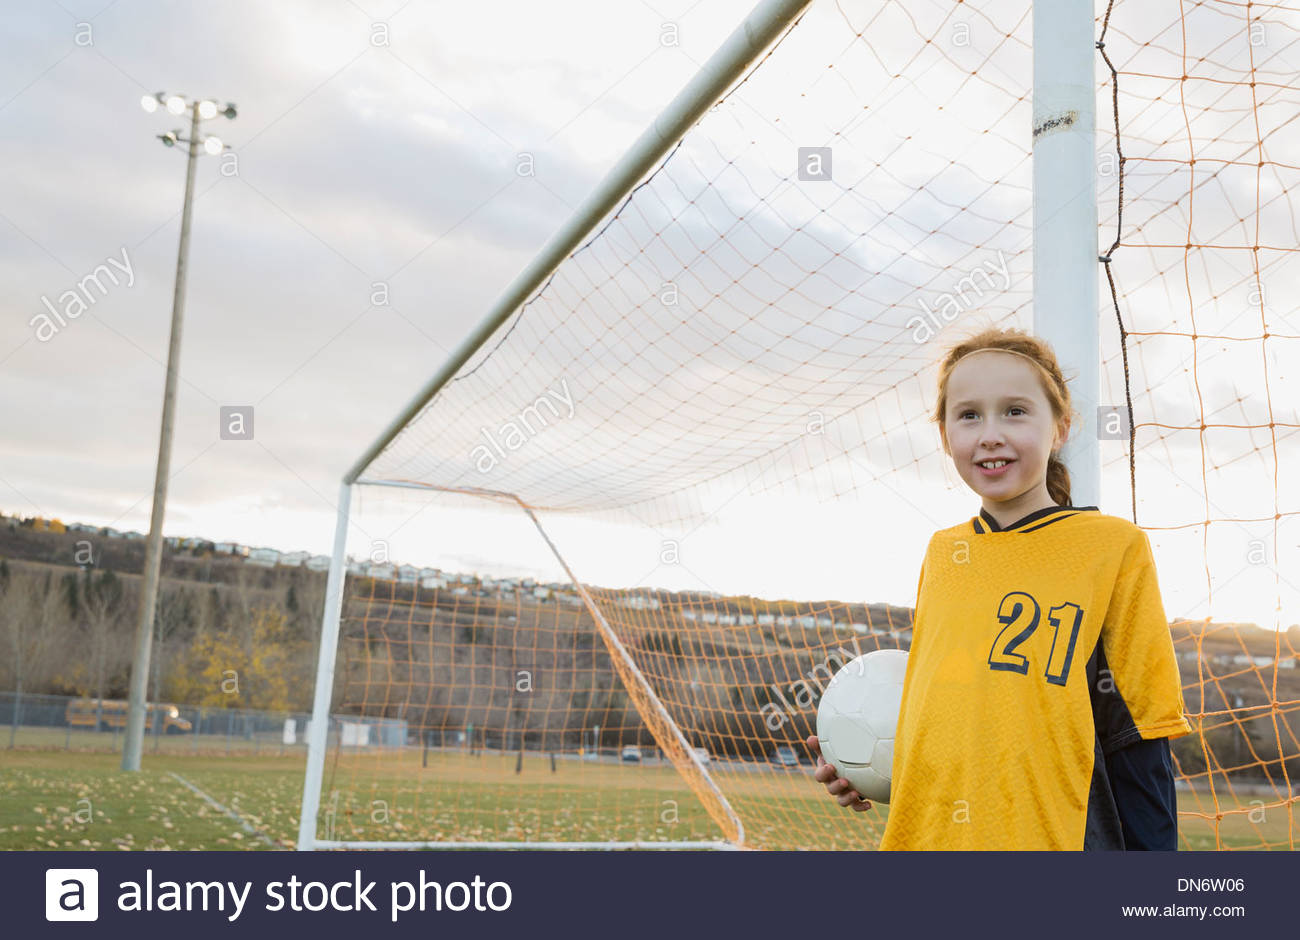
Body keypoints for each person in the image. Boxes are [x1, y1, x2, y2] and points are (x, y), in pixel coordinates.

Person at [807, 325, 1192, 850]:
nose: (990, 433)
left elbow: (1138, 732)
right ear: (945, 436)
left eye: (1015, 411)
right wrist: (873, 771)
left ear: (1060, 426)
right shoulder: (943, 554)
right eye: (969, 415)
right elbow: (952, 717)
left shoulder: (1113, 548)